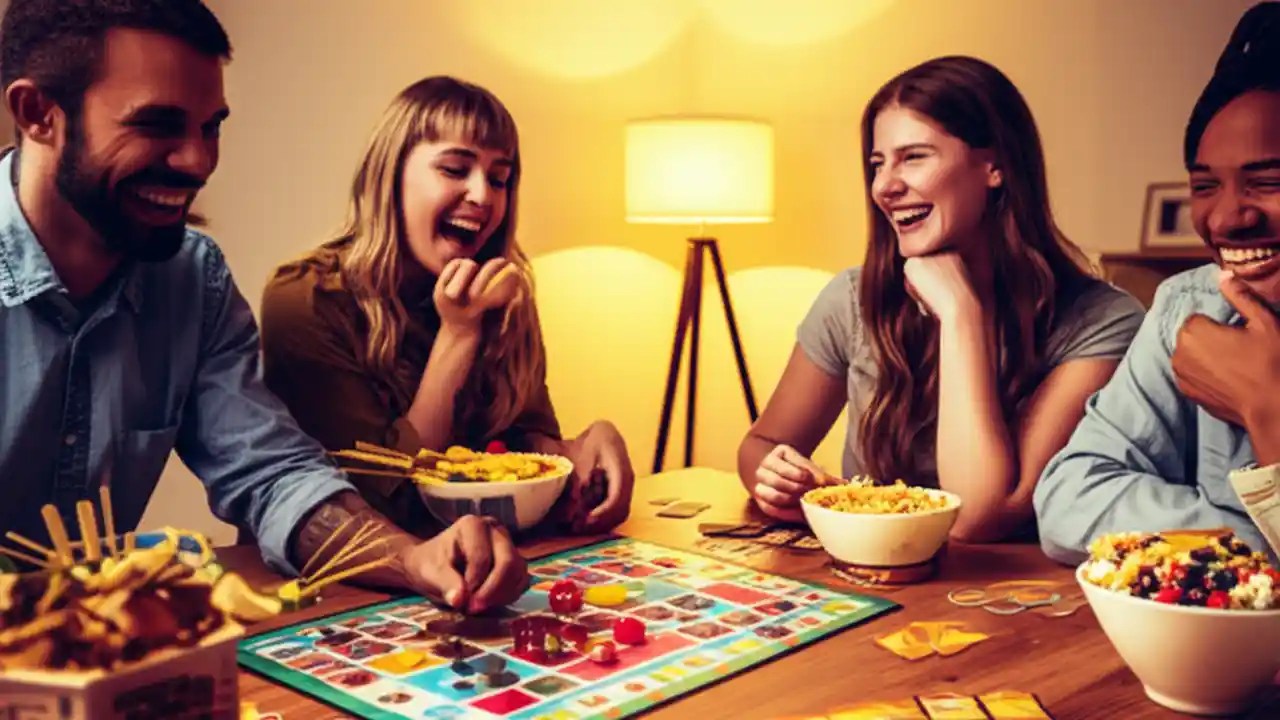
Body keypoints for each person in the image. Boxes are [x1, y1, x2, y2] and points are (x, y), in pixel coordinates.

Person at [0, 0, 527, 614]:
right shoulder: (305, 294)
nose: (198, 162)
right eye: (157, 124)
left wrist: (413, 559)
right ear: (38, 114)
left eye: (210, 127)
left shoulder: (194, 279)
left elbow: (273, 476)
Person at [737, 56, 1145, 543]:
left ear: (994, 166)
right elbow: (761, 444)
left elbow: (981, 517)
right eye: (877, 163)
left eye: (913, 157)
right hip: (870, 578)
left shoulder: (1104, 321)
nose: (885, 186)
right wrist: (777, 478)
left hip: (1012, 596)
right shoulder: (851, 298)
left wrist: (961, 315)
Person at [258, 75, 634, 538]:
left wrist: (583, 449)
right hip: (343, 580)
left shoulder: (503, 284)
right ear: (390, 176)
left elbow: (521, 450)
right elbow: (382, 506)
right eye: (456, 170)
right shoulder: (305, 299)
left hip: (484, 562)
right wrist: (458, 335)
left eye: (500, 178)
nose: (482, 195)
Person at [1034, 2, 1280, 562]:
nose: (1226, 219)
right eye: (1204, 186)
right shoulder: (1189, 306)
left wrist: (1266, 405)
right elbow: (1069, 502)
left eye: (1267, 181)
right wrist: (1264, 537)